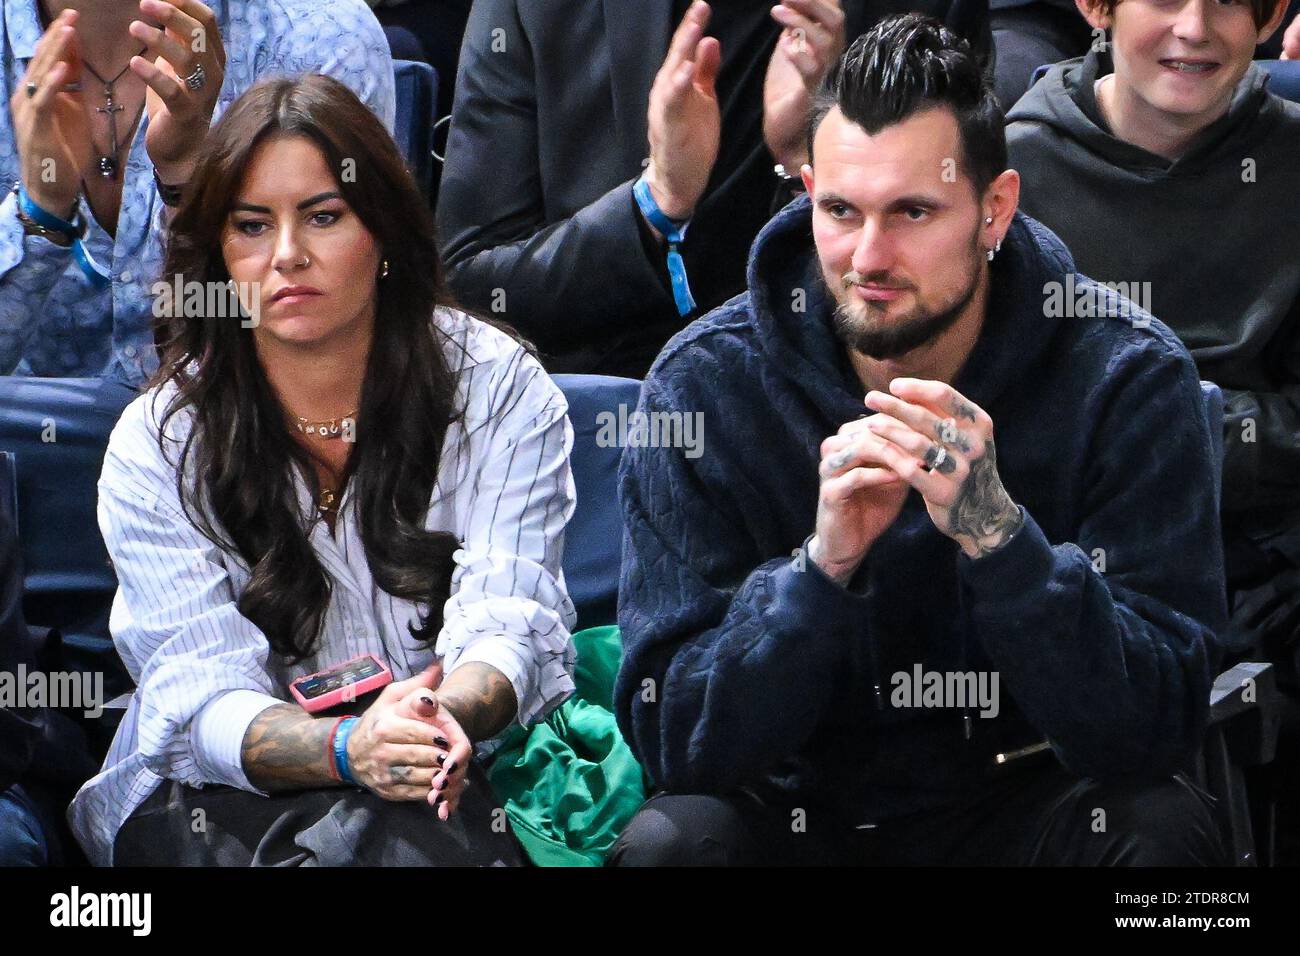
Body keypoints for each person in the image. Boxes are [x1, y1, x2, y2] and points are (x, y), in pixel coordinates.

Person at [610, 14, 1227, 866]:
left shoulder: (1125, 375)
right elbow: (673, 743)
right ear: (806, 192)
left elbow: (1159, 725)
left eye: (912, 211)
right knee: (669, 845)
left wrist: (1007, 545)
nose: (869, 254)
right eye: (839, 209)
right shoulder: (705, 385)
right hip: (801, 816)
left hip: (1029, 799)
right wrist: (815, 575)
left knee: (1159, 838)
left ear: (994, 209)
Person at [67, 74, 577, 866]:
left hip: (442, 766)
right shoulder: (158, 444)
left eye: (323, 216)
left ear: (382, 234)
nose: (287, 257)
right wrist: (348, 748)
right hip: (215, 800)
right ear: (219, 257)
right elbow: (202, 704)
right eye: (250, 226)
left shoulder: (497, 385)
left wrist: (431, 720)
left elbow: (510, 623)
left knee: (419, 840)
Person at [435, 0, 991, 377]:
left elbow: (969, 255)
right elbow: (467, 288)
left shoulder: (920, 13)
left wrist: (804, 159)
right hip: (612, 406)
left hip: (849, 398)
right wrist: (656, 200)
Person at [1005, 0, 1300, 685]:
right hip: (1073, 573)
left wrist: (1152, 431)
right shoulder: (1006, 174)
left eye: (1226, 0)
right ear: (1095, 6)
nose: (1194, 28)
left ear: (1271, 15)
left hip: (1270, 569)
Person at [0, 0, 394, 384]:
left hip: (237, 435)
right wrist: (40, 211)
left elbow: (327, 349)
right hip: (26, 441)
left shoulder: (318, 35)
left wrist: (187, 179)